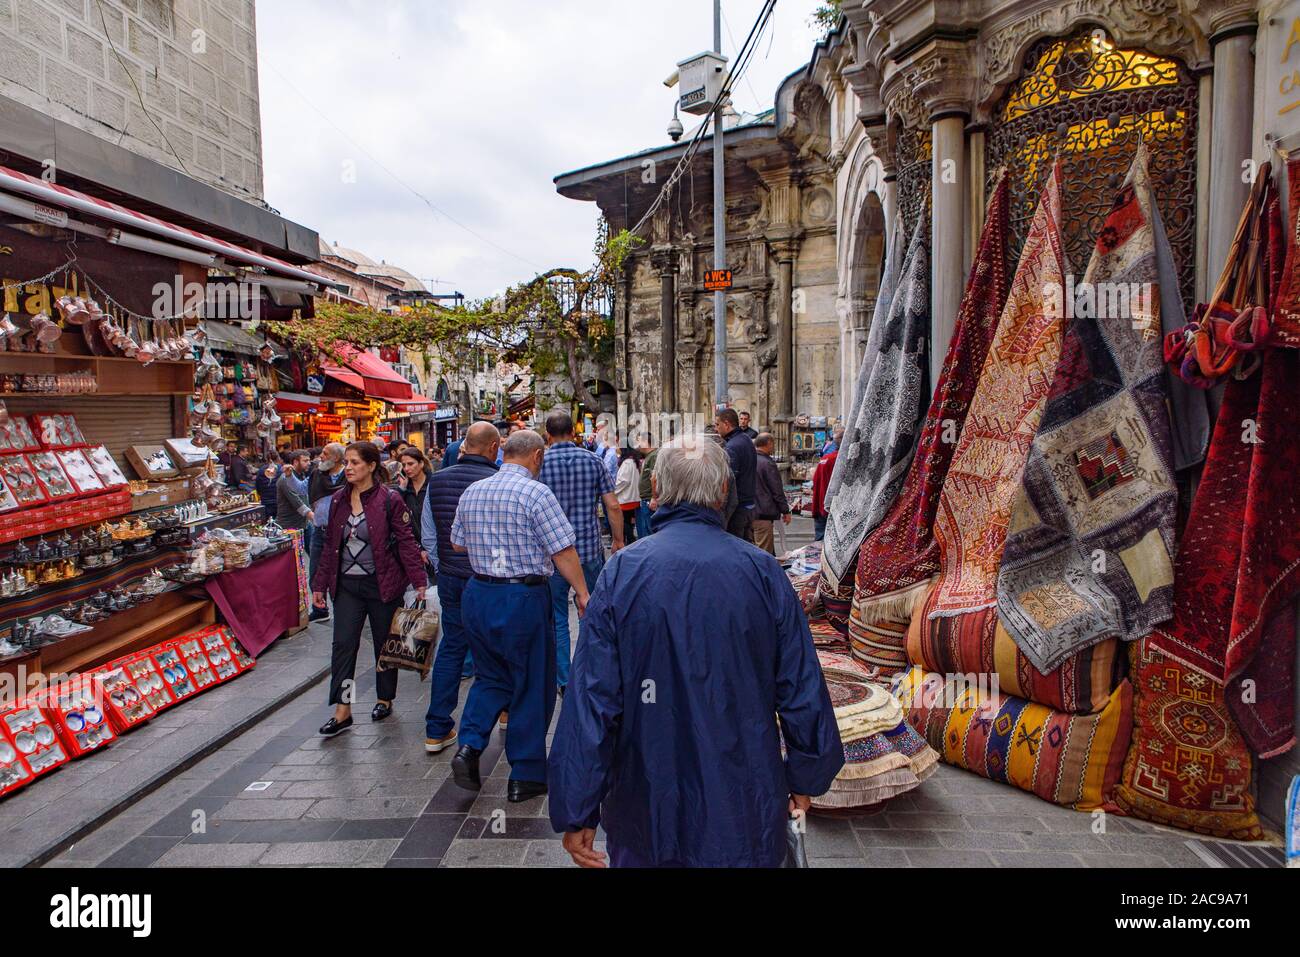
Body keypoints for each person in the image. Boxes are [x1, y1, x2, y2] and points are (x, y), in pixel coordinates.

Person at [548, 434, 843, 867]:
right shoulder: (761, 571)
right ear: (724, 491)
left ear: (660, 493)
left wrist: (578, 805)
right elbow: (800, 684)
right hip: (742, 794)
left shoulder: (624, 572)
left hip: (648, 794)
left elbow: (592, 698)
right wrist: (807, 772)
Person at [449, 430, 590, 804]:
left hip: (479, 594)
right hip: (521, 595)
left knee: (491, 676)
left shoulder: (474, 491)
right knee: (531, 681)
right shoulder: (536, 493)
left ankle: (469, 745)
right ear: (537, 456)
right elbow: (562, 549)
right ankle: (525, 774)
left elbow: (457, 543)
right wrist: (582, 591)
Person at [312, 442, 427, 737]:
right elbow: (329, 547)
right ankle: (343, 708)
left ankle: (384, 698)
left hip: (382, 583)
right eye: (347, 462)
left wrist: (419, 582)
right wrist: (319, 585)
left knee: (383, 645)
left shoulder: (389, 500)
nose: (348, 468)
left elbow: (405, 542)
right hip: (347, 585)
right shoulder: (338, 501)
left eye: (355, 463)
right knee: (344, 645)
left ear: (372, 466)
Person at [420, 422, 501, 754]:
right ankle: (501, 713)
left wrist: (442, 568)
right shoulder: (496, 480)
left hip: (451, 577)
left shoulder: (436, 481)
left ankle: (436, 728)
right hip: (487, 577)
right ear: (493, 447)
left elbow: (428, 533)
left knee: (453, 647)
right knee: (495, 647)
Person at [537, 411, 624, 694]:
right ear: (573, 434)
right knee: (592, 609)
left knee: (557, 616)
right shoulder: (594, 461)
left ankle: (564, 677)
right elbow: (612, 505)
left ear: (548, 435)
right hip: (587, 550)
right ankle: (592, 668)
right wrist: (618, 540)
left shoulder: (539, 464)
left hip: (551, 554)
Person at [306, 443, 347, 623]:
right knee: (315, 571)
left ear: (336, 458)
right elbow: (303, 490)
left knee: (340, 574)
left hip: (341, 532)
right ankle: (319, 609)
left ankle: (344, 611)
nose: (320, 456)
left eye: (325, 453)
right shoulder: (317, 475)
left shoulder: (348, 475)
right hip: (319, 531)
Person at [714, 408, 757, 542]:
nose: (716, 429)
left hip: (737, 508)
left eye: (717, 424)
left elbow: (728, 482)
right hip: (748, 505)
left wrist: (721, 510)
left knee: (735, 546)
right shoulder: (745, 439)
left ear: (726, 424)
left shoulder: (732, 446)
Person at [752, 433, 791, 555]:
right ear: (769, 443)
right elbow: (777, 490)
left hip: (749, 512)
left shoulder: (749, 459)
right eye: (773, 444)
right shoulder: (767, 463)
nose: (773, 447)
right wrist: (785, 510)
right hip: (763, 513)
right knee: (763, 552)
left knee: (754, 550)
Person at [395, 447, 432, 548]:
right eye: (403, 465)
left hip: (432, 544)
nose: (406, 468)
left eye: (410, 464)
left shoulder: (433, 483)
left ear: (421, 463)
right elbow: (394, 511)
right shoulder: (403, 488)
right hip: (411, 544)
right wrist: (402, 489)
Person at [275, 450, 314, 531]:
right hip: (289, 525)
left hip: (304, 523)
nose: (309, 463)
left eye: (309, 460)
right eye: (305, 461)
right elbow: (297, 503)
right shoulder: (285, 478)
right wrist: (314, 518)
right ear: (296, 462)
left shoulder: (302, 475)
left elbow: (306, 497)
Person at [614, 446, 641, 545]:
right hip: (632, 497)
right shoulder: (633, 461)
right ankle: (630, 542)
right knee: (629, 522)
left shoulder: (627, 463)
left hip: (626, 498)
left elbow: (623, 481)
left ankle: (630, 541)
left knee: (624, 523)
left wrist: (613, 491)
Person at [811, 446, 838, 542]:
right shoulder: (838, 459)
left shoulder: (825, 458)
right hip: (833, 508)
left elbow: (815, 480)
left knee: (819, 542)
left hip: (820, 504)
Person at [635, 433, 656, 539]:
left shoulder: (654, 456)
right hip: (646, 499)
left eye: (639, 441)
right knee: (646, 529)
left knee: (649, 531)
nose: (637, 444)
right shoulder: (649, 456)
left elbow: (655, 477)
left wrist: (654, 497)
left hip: (649, 500)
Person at [255, 453, 282, 520]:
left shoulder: (261, 470)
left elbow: (258, 486)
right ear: (278, 458)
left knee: (268, 523)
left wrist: (262, 495)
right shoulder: (281, 469)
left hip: (266, 501)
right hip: (279, 501)